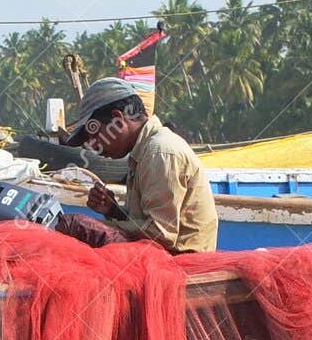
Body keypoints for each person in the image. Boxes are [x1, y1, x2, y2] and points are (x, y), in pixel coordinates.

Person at [53, 77, 216, 253]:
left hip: (182, 265)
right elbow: (148, 223)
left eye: (93, 135)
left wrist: (103, 226)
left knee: (75, 225)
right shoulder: (144, 151)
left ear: (117, 119)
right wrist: (113, 211)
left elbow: (160, 235)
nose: (93, 146)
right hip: (167, 258)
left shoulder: (159, 152)